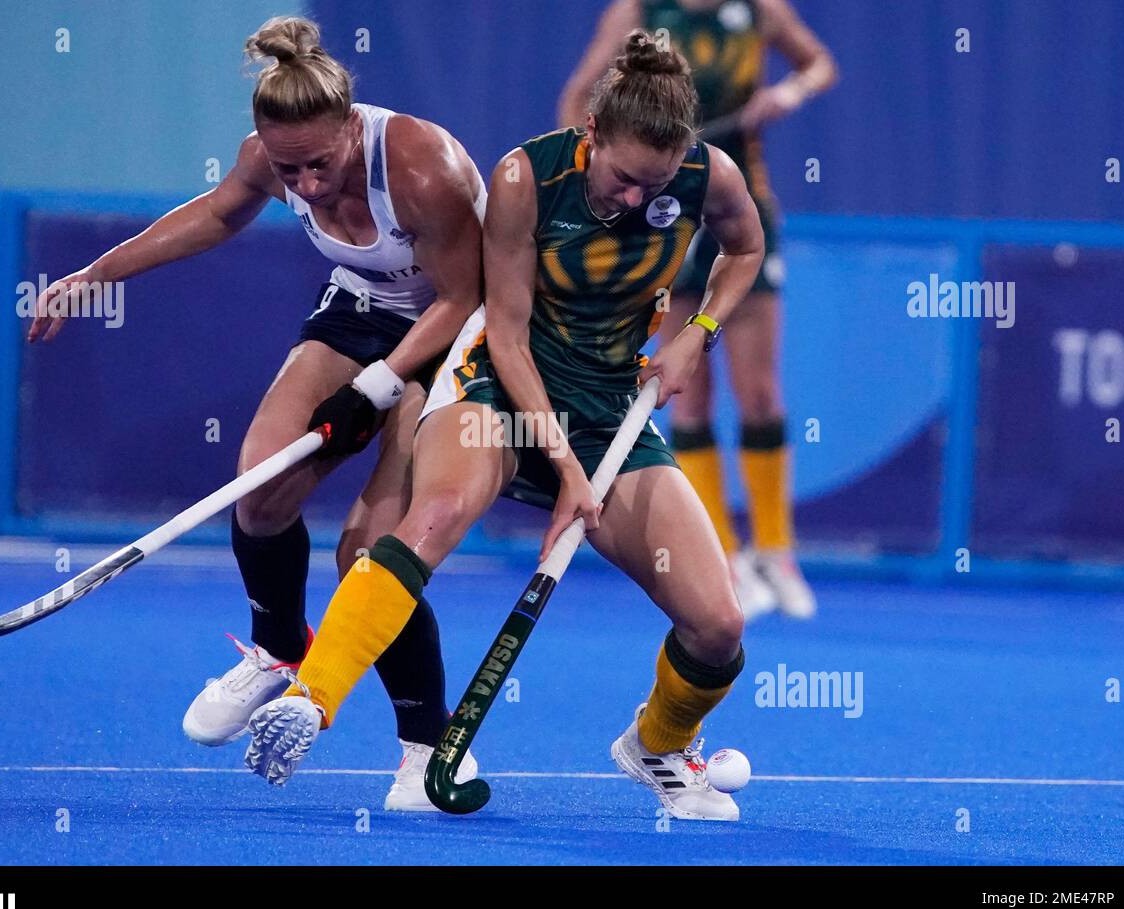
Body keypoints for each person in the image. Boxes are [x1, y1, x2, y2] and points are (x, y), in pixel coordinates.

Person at [245, 31, 765, 821]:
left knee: (718, 624)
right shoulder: (526, 177)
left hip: (609, 405)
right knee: (440, 513)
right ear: (591, 135)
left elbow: (746, 248)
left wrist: (699, 335)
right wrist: (563, 468)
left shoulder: (707, 175)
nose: (633, 200)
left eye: (651, 185)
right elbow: (511, 334)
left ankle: (656, 743)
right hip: (497, 381)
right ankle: (311, 700)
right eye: (624, 179)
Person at [27, 16, 485, 811]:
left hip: (448, 335)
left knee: (368, 551)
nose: (303, 186)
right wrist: (93, 274)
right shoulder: (270, 162)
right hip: (359, 312)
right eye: (286, 169)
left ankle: (426, 745)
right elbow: (212, 216)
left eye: (318, 165)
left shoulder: (420, 167)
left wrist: (377, 389)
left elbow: (465, 295)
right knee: (261, 489)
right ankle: (279, 647)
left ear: (352, 126)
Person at [560, 0, 838, 619]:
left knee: (760, 390)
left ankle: (777, 552)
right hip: (663, 211)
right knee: (687, 390)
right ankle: (726, 554)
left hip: (742, 205)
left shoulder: (760, 10)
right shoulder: (638, 11)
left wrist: (789, 93)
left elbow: (820, 65)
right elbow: (580, 95)